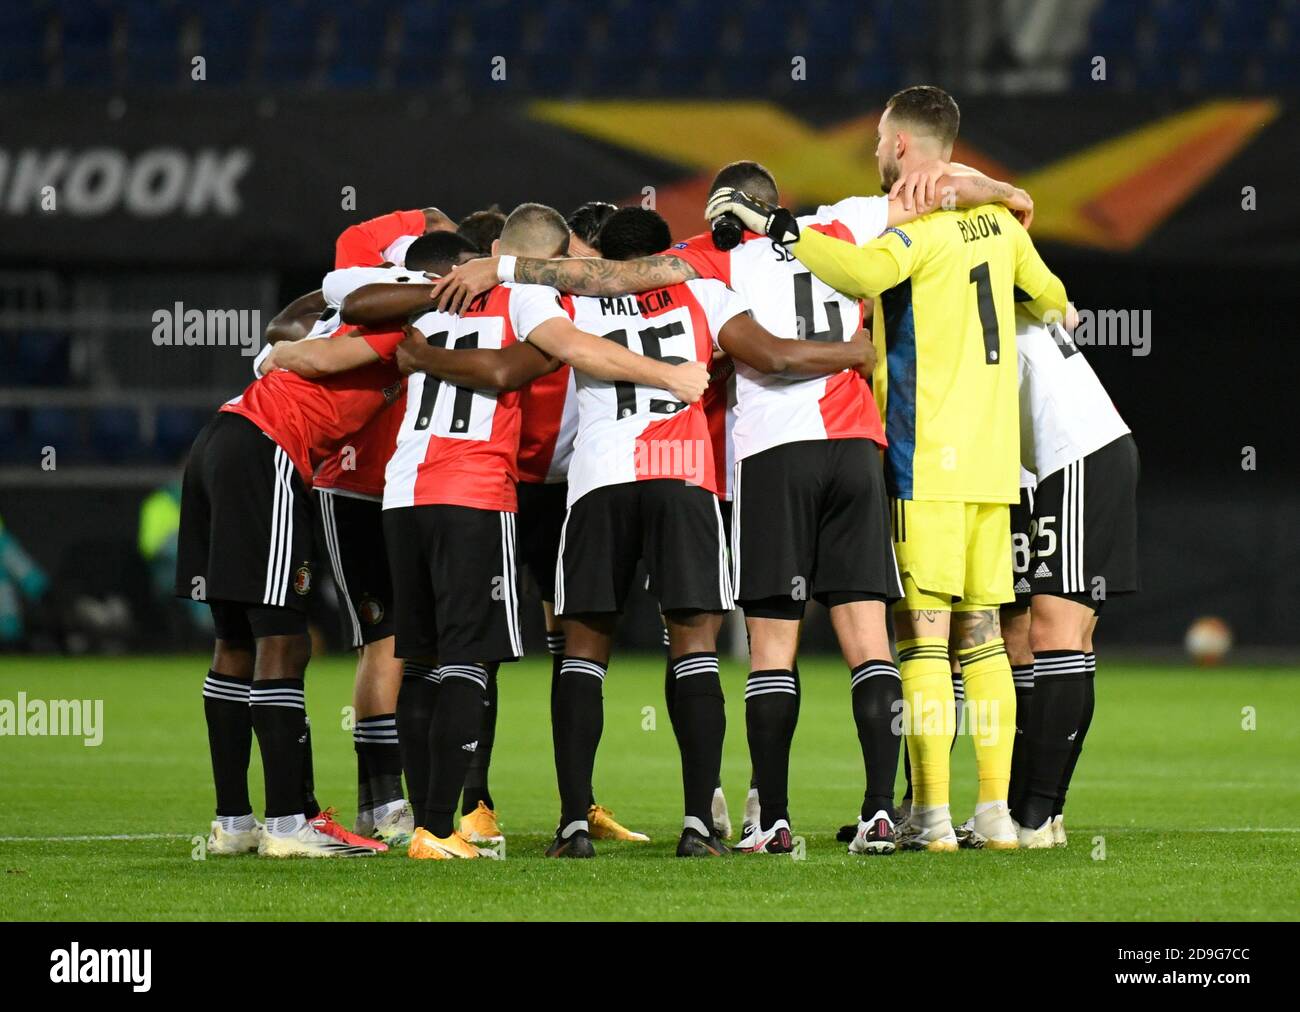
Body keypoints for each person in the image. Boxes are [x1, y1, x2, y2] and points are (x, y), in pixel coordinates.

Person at [708, 85, 1069, 852]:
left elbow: (861, 274)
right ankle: (995, 812)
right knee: (985, 640)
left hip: (924, 460)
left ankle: (931, 814)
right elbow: (1055, 301)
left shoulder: (919, 233)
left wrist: (778, 229)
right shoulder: (1002, 230)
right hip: (993, 464)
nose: (875, 151)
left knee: (925, 642)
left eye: (878, 140)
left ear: (901, 145)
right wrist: (1008, 202)